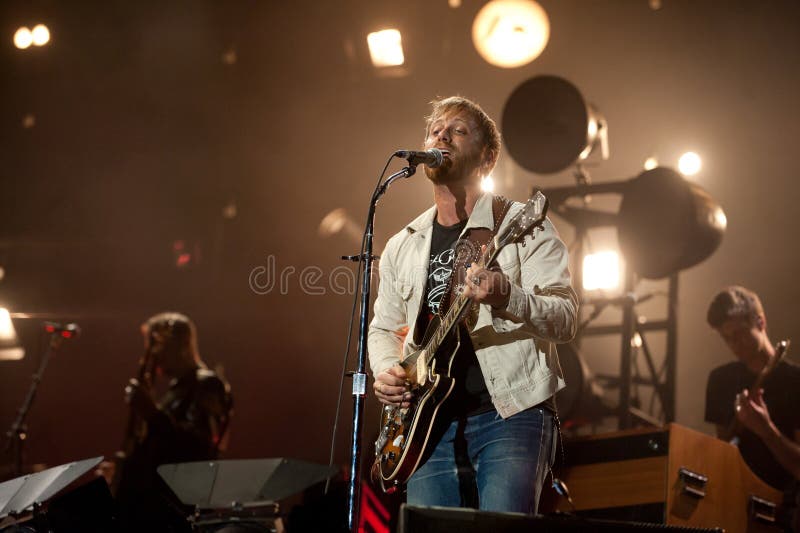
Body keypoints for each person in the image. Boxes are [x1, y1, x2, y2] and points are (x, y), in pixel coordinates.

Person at [368, 96, 577, 514]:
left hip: (511, 415)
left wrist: (507, 296)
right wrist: (388, 371)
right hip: (427, 426)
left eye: (458, 131)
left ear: (488, 156)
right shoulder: (403, 244)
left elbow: (566, 318)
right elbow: (384, 328)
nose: (442, 136)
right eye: (435, 131)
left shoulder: (521, 224)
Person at [114, 312, 233, 532]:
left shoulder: (206, 384)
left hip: (176, 514)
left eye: (156, 346)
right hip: (157, 510)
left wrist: (151, 413)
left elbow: (200, 448)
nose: (151, 356)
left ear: (179, 345)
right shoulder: (176, 391)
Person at [705, 286, 800, 491]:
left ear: (760, 322)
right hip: (735, 497)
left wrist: (767, 430)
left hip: (786, 503)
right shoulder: (720, 380)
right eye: (726, 338)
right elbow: (725, 451)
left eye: (739, 333)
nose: (734, 344)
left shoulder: (795, 380)